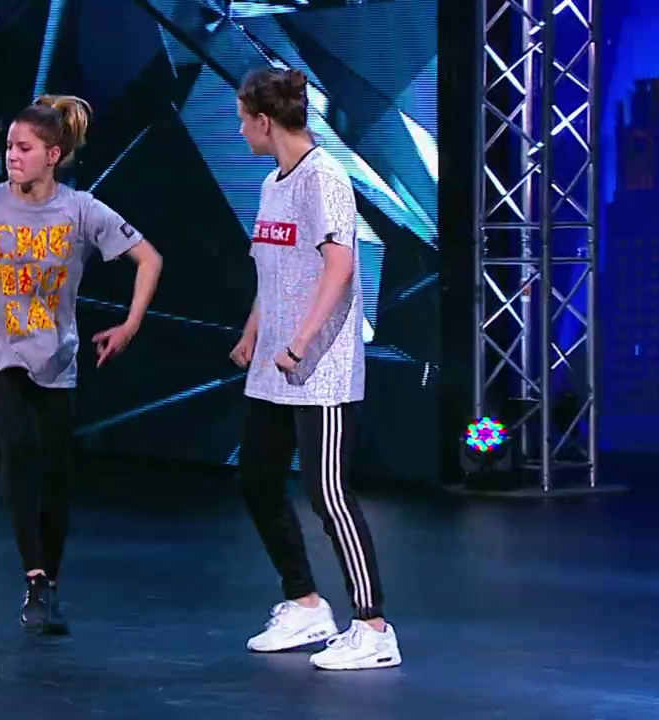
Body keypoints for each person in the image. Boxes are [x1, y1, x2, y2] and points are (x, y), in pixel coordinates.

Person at [0, 94, 163, 636]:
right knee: (18, 448)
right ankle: (33, 577)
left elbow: (149, 258)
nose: (12, 156)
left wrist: (130, 324)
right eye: (9, 146)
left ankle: (49, 581)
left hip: (56, 354)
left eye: (24, 148)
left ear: (53, 155)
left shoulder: (81, 210)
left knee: (56, 473)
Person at [230, 67, 402, 670]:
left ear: (264, 121)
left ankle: (374, 627)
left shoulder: (323, 177)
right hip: (272, 365)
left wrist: (301, 342)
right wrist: (254, 329)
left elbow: (340, 266)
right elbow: (274, 268)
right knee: (256, 479)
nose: (240, 130)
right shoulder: (272, 184)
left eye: (243, 120)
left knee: (328, 493)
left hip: (317, 366)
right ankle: (304, 603)